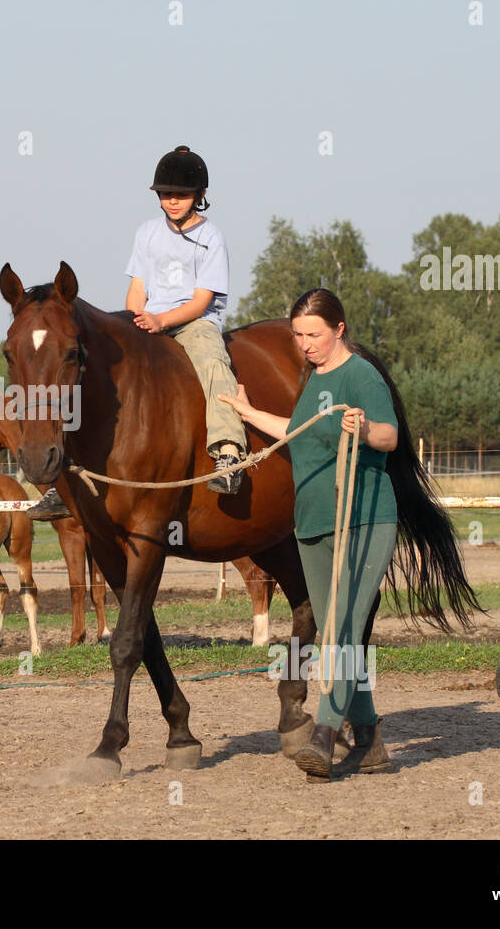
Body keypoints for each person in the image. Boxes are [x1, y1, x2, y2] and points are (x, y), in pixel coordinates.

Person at [218, 288, 398, 782]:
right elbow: (298, 430)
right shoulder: (312, 380)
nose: (304, 344)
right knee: (337, 629)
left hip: (362, 518)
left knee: (339, 630)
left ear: (339, 329)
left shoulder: (360, 375)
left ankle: (324, 731)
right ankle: (371, 742)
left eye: (313, 334)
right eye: (297, 335)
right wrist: (249, 414)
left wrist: (361, 428)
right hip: (314, 523)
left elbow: (389, 435)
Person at [27, 145, 246, 520]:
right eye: (165, 194)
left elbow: (202, 299)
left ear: (201, 196)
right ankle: (65, 483)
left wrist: (163, 321)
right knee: (95, 375)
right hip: (148, 321)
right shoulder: (147, 232)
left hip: (194, 322)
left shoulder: (212, 237)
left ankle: (229, 452)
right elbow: (137, 288)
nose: (172, 201)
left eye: (181, 194)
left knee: (213, 365)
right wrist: (132, 320)